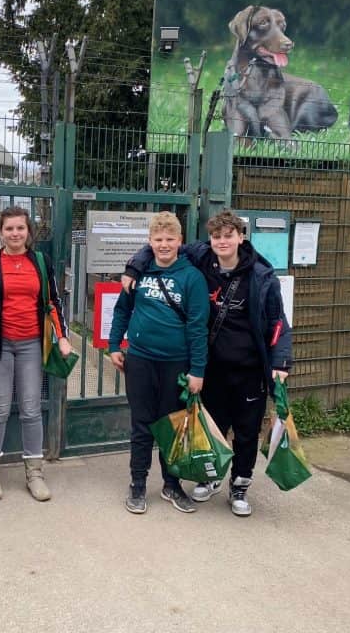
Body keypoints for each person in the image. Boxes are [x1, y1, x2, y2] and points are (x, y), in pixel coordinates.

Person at [123, 209, 291, 517]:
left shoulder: (261, 276)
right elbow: (159, 244)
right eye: (217, 236)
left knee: (245, 431)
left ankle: (239, 485)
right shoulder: (201, 256)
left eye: (229, 235)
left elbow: (277, 321)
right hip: (212, 365)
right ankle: (210, 475)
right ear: (209, 239)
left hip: (249, 367)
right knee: (210, 427)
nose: (222, 241)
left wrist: (280, 360)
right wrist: (134, 267)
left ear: (241, 237)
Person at [108, 211, 209, 515]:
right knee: (141, 426)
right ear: (149, 241)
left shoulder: (192, 277)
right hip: (140, 360)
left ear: (180, 241)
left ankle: (172, 485)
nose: (164, 245)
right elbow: (122, 310)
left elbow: (197, 326)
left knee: (172, 427)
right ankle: (138, 485)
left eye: (170, 239)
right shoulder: (138, 274)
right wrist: (114, 345)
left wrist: (197, 370)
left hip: (176, 364)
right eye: (158, 239)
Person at [0, 205, 71, 501]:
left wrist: (62, 337)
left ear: (29, 231)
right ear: (1, 232)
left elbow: (52, 301)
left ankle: (35, 473)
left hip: (31, 345)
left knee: (30, 409)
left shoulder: (40, 261)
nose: (15, 233)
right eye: (9, 228)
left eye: (20, 228)